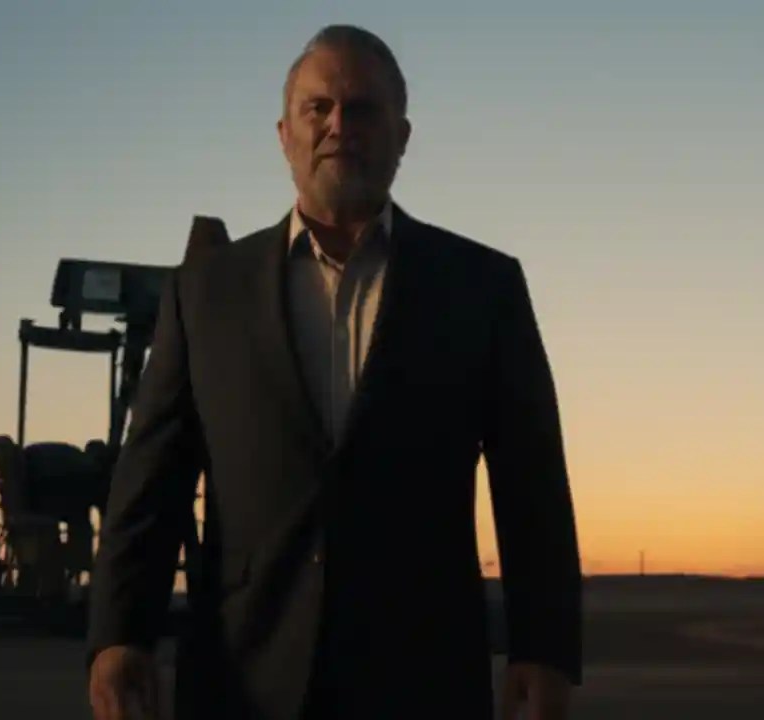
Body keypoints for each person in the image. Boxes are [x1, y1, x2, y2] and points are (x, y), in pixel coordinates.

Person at [86, 24, 583, 719]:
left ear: (402, 136)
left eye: (363, 109)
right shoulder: (203, 292)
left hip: (422, 673)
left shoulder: (483, 286)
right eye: (318, 108)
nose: (339, 125)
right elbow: (152, 476)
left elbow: (531, 481)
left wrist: (544, 645)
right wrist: (119, 633)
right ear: (284, 134)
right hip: (243, 675)